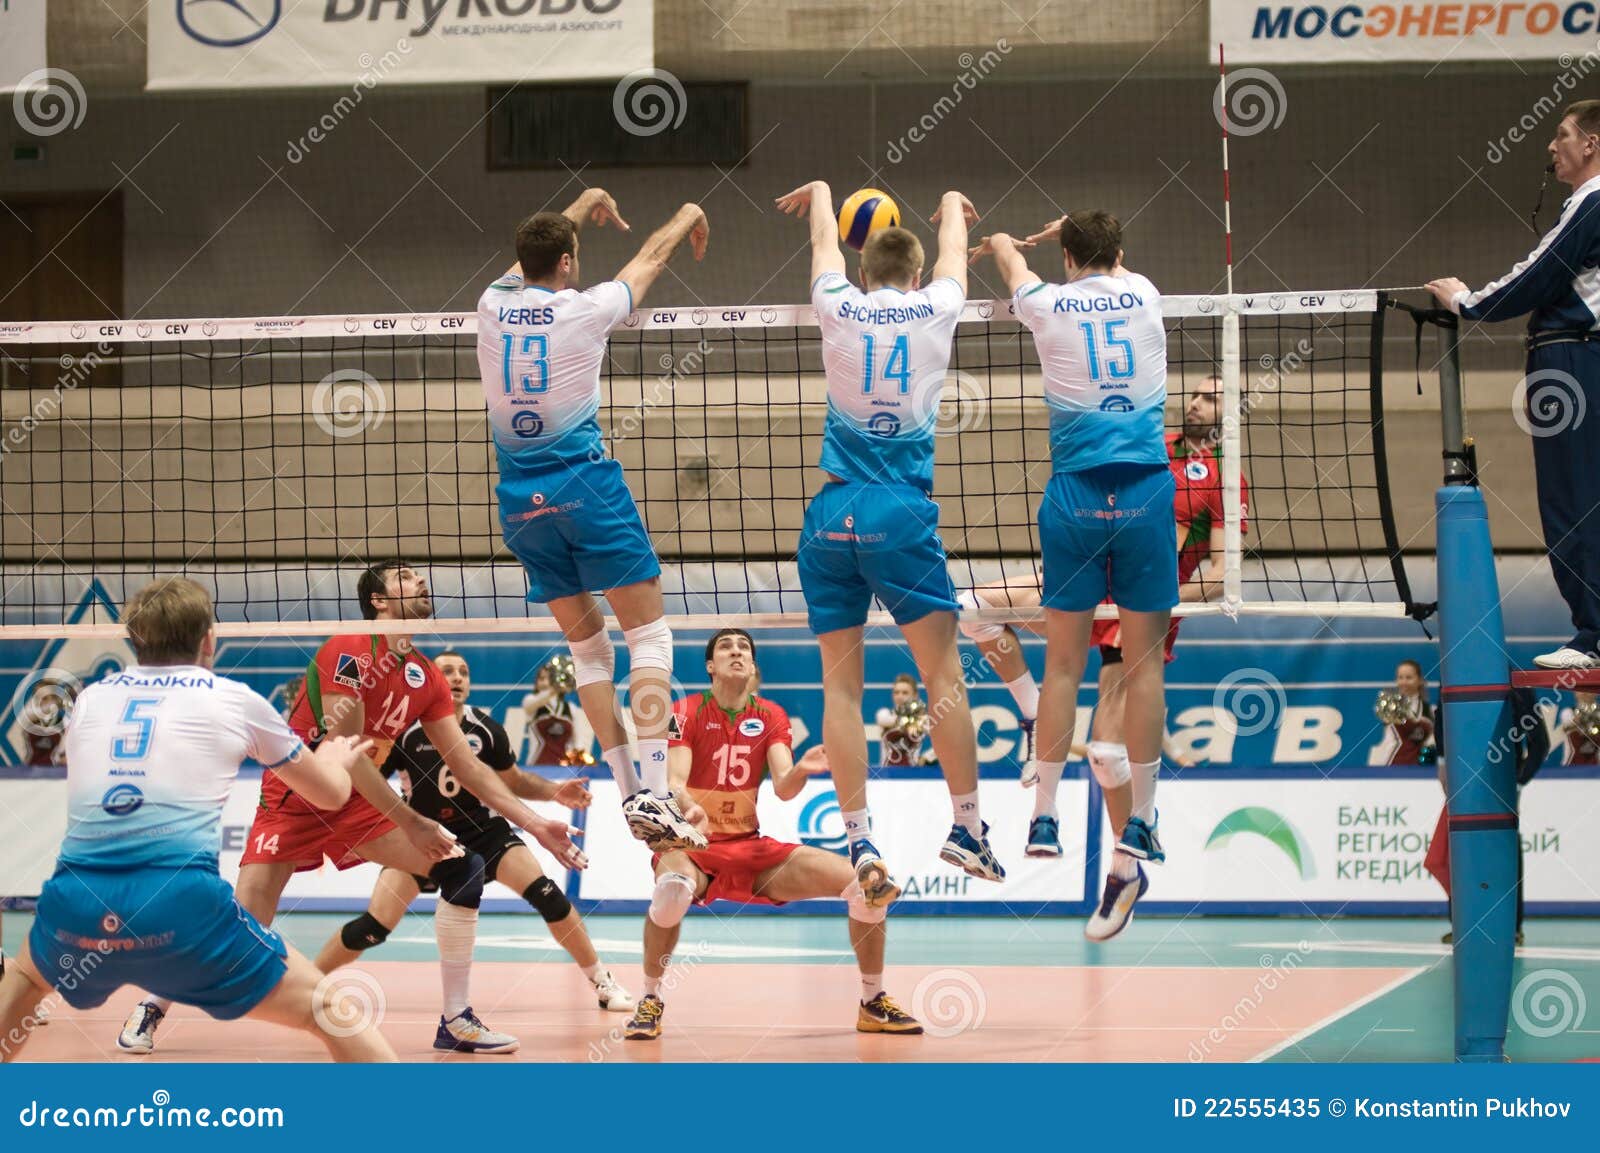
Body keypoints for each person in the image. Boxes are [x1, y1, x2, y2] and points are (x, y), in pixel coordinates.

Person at [117, 561, 587, 1057]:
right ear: (378, 601)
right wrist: (410, 818)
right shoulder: (348, 650)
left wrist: (536, 824)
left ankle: (457, 1018)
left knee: (462, 866)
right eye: (404, 577)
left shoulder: (425, 676)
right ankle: (153, 1003)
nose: (420, 580)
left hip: (357, 803)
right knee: (247, 919)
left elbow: (468, 767)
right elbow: (350, 745)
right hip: (297, 795)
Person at [0, 578, 396, 1063]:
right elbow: (331, 796)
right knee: (332, 1011)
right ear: (209, 640)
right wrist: (335, 756)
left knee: (23, 980)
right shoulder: (235, 700)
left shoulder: (89, 700)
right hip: (180, 909)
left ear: (135, 638)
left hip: (78, 903)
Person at [776, 179, 1003, 906]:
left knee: (839, 686)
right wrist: (951, 205)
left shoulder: (837, 303)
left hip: (830, 514)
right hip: (900, 514)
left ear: (862, 271)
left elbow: (819, 244)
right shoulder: (938, 305)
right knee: (943, 676)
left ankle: (858, 835)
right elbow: (957, 259)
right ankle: (967, 825)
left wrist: (820, 194)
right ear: (913, 274)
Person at [479, 186, 709, 852]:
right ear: (570, 262)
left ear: (523, 263)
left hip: (520, 503)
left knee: (589, 650)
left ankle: (632, 790)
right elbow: (650, 257)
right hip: (585, 486)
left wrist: (578, 205)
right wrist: (689, 212)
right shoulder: (586, 309)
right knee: (651, 638)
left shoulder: (492, 304)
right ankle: (659, 794)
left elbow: (535, 252)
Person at [960, 373, 1245, 901]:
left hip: (1142, 601)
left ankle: (1126, 866)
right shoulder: (1151, 446)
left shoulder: (1226, 477)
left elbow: (1222, 571)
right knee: (973, 609)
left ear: (1231, 416)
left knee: (1106, 753)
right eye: (1198, 393)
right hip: (1087, 581)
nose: (1199, 404)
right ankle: (1032, 710)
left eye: (1214, 398)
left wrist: (1165, 593)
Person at [975, 209, 1176, 934]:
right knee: (1144, 666)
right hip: (1148, 489)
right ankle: (1144, 822)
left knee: (1063, 667)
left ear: (1063, 256)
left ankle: (1044, 815)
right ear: (1120, 252)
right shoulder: (1146, 292)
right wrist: (1084, 237)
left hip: (1075, 495)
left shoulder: (1046, 302)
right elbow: (1111, 266)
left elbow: (1007, 258)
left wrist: (1007, 240)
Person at [623, 628, 923, 1040]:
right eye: (726, 647)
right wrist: (690, 808)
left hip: (749, 846)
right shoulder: (686, 710)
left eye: (743, 647)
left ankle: (873, 1002)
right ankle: (650, 999)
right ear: (710, 666)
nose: (736, 652)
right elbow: (674, 780)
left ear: (753, 665)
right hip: (692, 847)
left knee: (868, 885)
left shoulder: (771, 715)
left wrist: (803, 768)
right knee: (672, 891)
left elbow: (783, 787)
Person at [314, 649, 633, 1013]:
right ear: (430, 679)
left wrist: (553, 791)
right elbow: (371, 783)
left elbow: (514, 781)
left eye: (463, 672)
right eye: (447, 671)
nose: (457, 678)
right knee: (373, 927)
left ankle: (602, 982)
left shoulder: (486, 729)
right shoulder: (404, 733)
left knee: (549, 896)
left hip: (484, 831)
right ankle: (310, 980)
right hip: (425, 837)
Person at [1427, 99, 1600, 669]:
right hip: (1573, 365)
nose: (1551, 148)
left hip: (1573, 364)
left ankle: (1593, 637)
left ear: (1590, 145)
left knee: (1572, 499)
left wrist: (1466, 300)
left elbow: (1538, 272)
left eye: (1561, 136)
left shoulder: (1591, 203)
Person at [523, 656, 591, 766]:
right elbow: (533, 703)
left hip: (564, 770)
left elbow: (577, 742)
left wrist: (579, 763)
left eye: (549, 678)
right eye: (541, 678)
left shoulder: (571, 708)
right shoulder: (530, 702)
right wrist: (555, 688)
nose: (545, 683)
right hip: (536, 768)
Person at [1373, 659, 1437, 766]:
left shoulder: (1430, 711)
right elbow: (1388, 741)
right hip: (1389, 765)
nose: (1404, 682)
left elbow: (1432, 743)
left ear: (1420, 680)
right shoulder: (1389, 706)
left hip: (1418, 769)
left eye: (1409, 678)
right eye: (1400, 677)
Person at [874, 673, 931, 767]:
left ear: (915, 695)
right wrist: (917, 719)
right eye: (896, 692)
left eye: (905, 693)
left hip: (913, 775)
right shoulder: (884, 714)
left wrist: (927, 757)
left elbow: (944, 739)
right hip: (886, 775)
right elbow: (886, 720)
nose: (900, 696)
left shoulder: (923, 719)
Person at [1563, 690, 1600, 763]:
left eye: (1588, 690)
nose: (1584, 693)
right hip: (1573, 761)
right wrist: (1578, 721)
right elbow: (1566, 728)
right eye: (1580, 690)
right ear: (1575, 694)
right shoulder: (1568, 712)